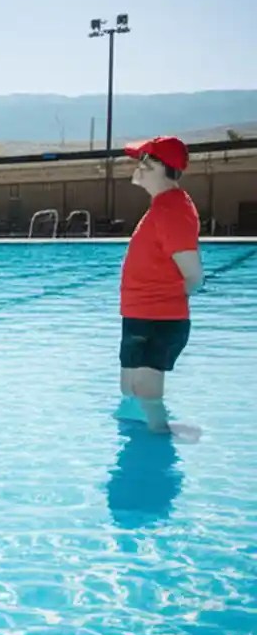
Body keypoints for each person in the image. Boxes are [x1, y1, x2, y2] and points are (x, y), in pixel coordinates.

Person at [117, 136, 204, 438]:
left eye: (146, 162)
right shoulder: (163, 206)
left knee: (144, 391)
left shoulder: (172, 211)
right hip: (141, 315)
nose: (138, 167)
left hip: (158, 318)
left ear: (164, 169)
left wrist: (170, 296)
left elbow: (193, 274)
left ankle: (160, 438)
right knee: (130, 388)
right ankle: (143, 438)